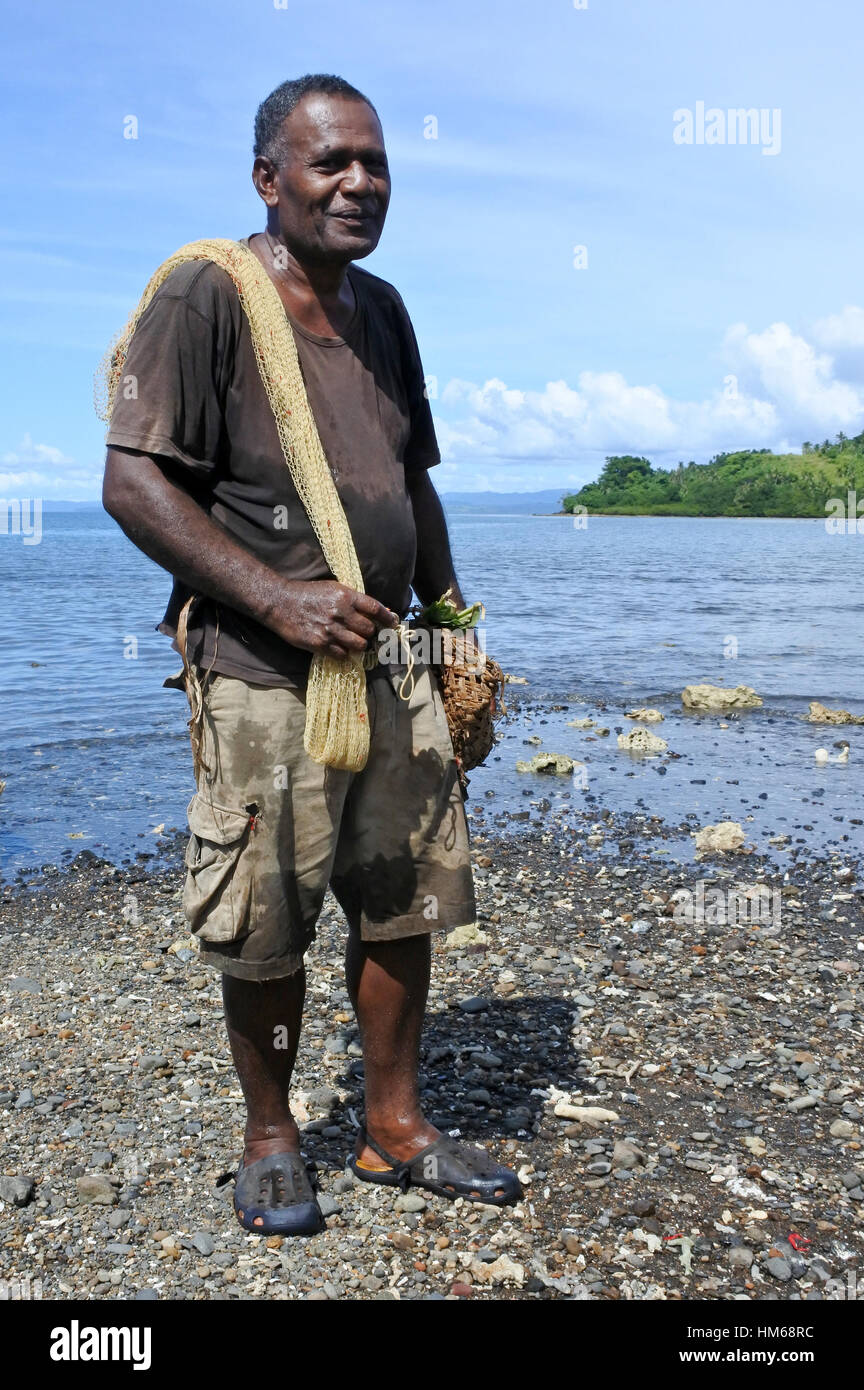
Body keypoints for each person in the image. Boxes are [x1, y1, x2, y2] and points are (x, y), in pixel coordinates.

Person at [102, 73, 521, 1235]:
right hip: (265, 676)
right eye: (331, 162)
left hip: (389, 666)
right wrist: (277, 602)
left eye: (375, 163)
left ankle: (393, 1127)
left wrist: (453, 628)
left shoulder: (383, 310)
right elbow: (130, 481)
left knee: (401, 904)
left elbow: (412, 483)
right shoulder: (207, 295)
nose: (359, 183)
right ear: (268, 179)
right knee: (268, 917)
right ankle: (274, 1136)